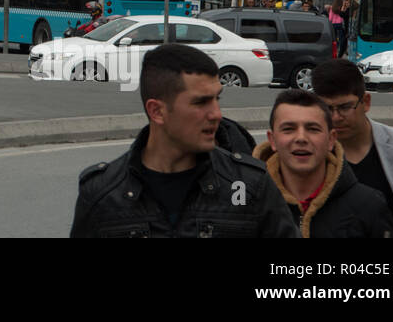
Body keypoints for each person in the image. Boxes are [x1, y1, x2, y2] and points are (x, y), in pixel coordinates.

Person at [70, 43, 297, 237]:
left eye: (217, 99)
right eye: (201, 102)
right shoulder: (102, 193)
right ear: (157, 111)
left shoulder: (248, 186)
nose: (217, 114)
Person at [313, 59, 393, 237]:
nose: (336, 117)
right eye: (327, 108)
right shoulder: (314, 154)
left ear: (366, 102)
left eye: (345, 107)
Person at [252, 89, 393, 237]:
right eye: (288, 129)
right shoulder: (247, 203)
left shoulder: (368, 205)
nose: (301, 138)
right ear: (272, 140)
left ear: (331, 139)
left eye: (313, 129)